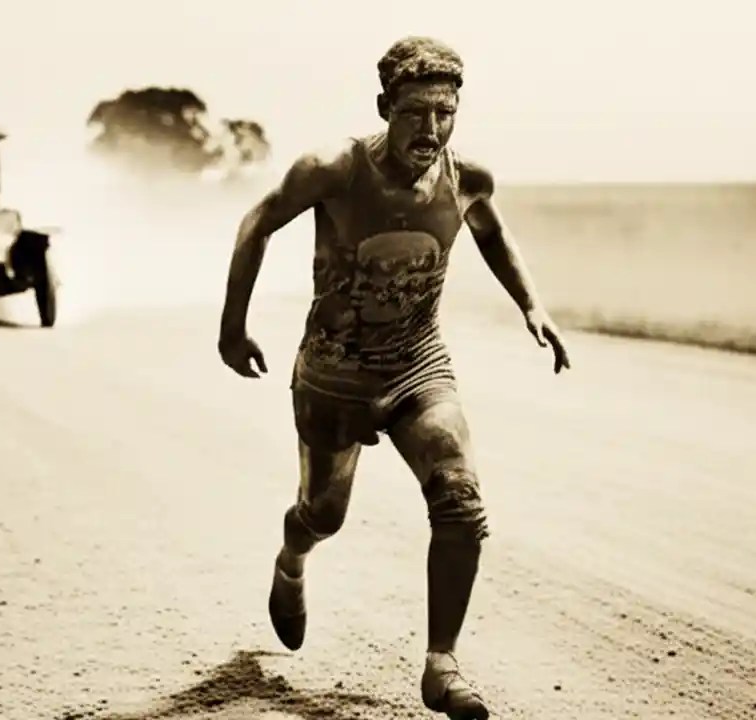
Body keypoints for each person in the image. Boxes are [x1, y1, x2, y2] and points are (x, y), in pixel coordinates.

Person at [217, 36, 571, 719]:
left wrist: (532, 304)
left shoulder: (467, 179)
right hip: (334, 374)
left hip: (418, 365)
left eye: (445, 111)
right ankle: (292, 561)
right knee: (325, 513)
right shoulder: (333, 170)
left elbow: (493, 235)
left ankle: (442, 667)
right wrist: (233, 328)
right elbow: (256, 223)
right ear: (384, 107)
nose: (431, 129)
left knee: (461, 497)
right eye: (415, 113)